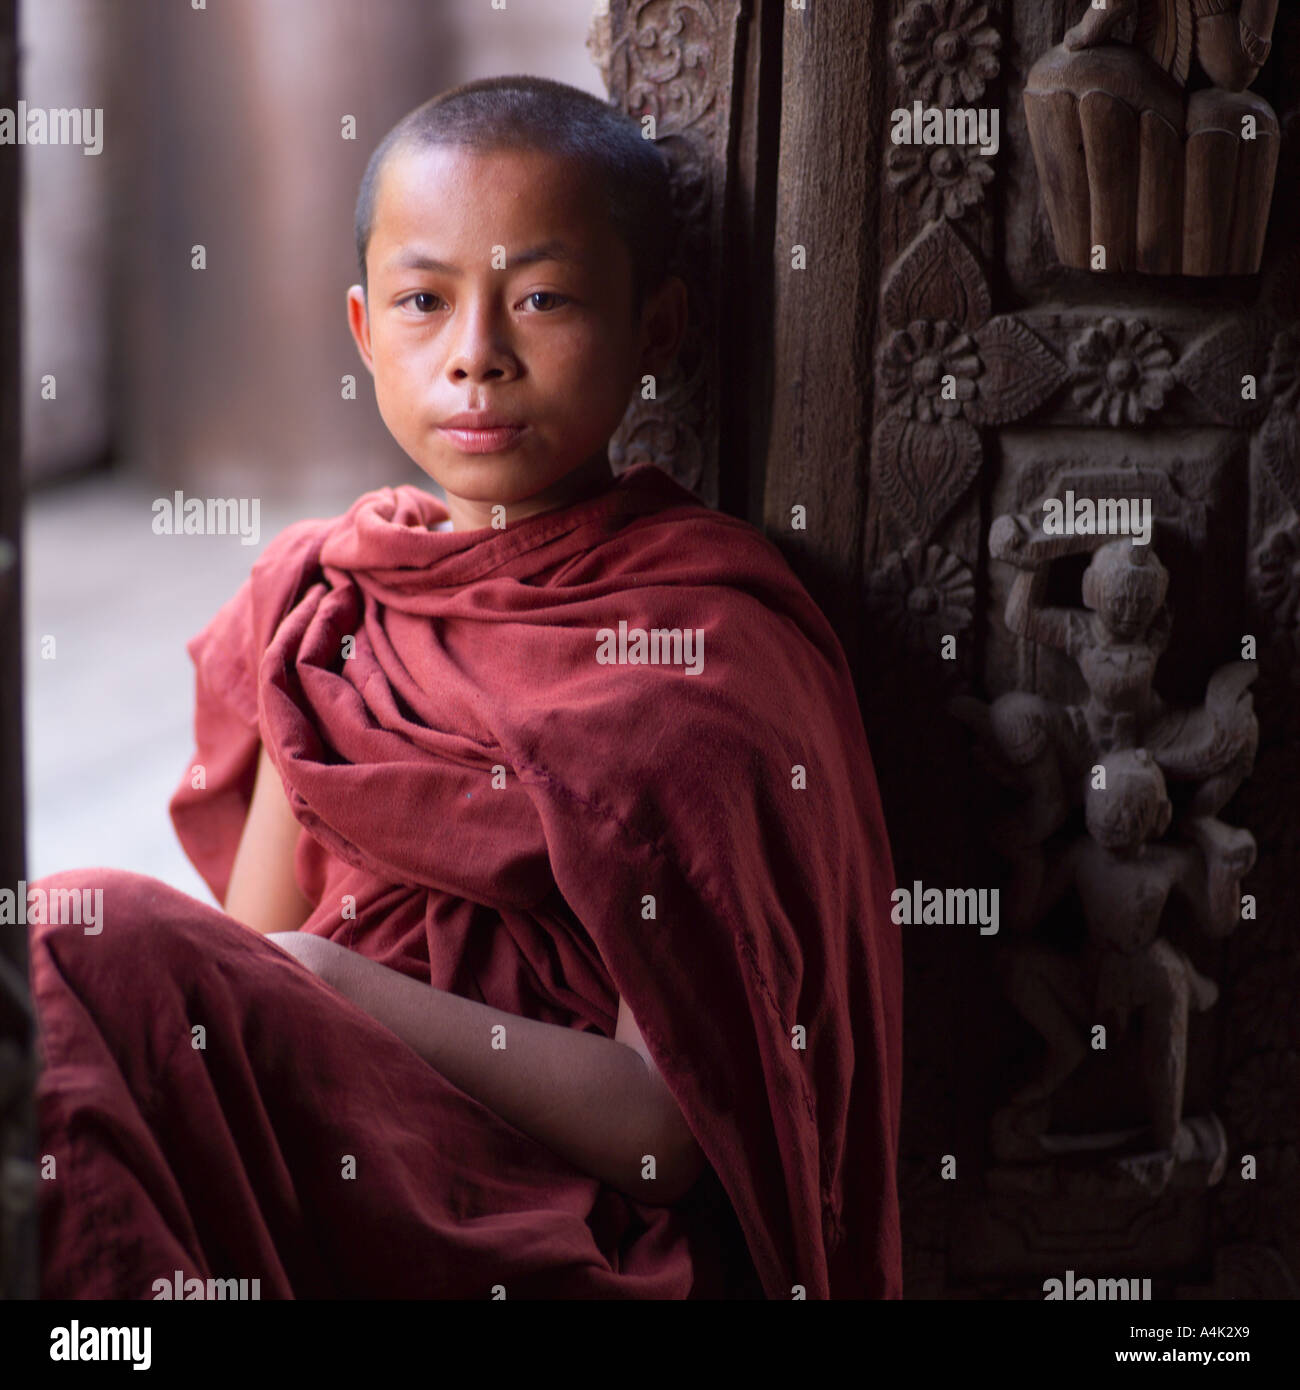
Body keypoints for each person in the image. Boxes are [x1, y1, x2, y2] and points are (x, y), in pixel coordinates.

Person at [30, 75, 902, 1300]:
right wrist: (304, 981)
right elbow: (246, 967)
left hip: (550, 1219)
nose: (476, 356)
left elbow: (663, 1130)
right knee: (70, 993)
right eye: (424, 301)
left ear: (655, 329)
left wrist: (337, 982)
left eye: (540, 298)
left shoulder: (697, 652)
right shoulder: (329, 599)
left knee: (77, 935)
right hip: (332, 1149)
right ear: (363, 330)